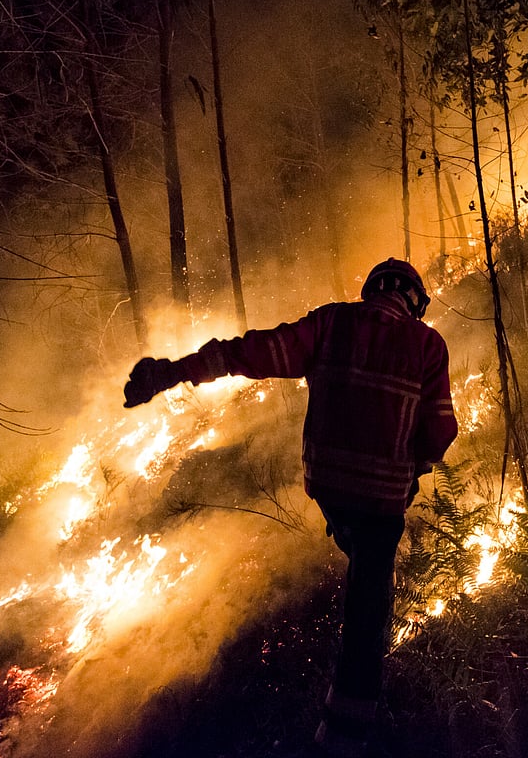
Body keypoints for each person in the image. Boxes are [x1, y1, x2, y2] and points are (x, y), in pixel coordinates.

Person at [122, 258, 458, 757]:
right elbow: (439, 433)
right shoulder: (427, 344)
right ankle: (345, 733)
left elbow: (255, 352)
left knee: (358, 549)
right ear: (414, 302)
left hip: (330, 490)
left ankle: (357, 566)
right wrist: (417, 461)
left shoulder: (331, 322)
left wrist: (174, 371)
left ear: (371, 292)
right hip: (381, 501)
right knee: (369, 606)